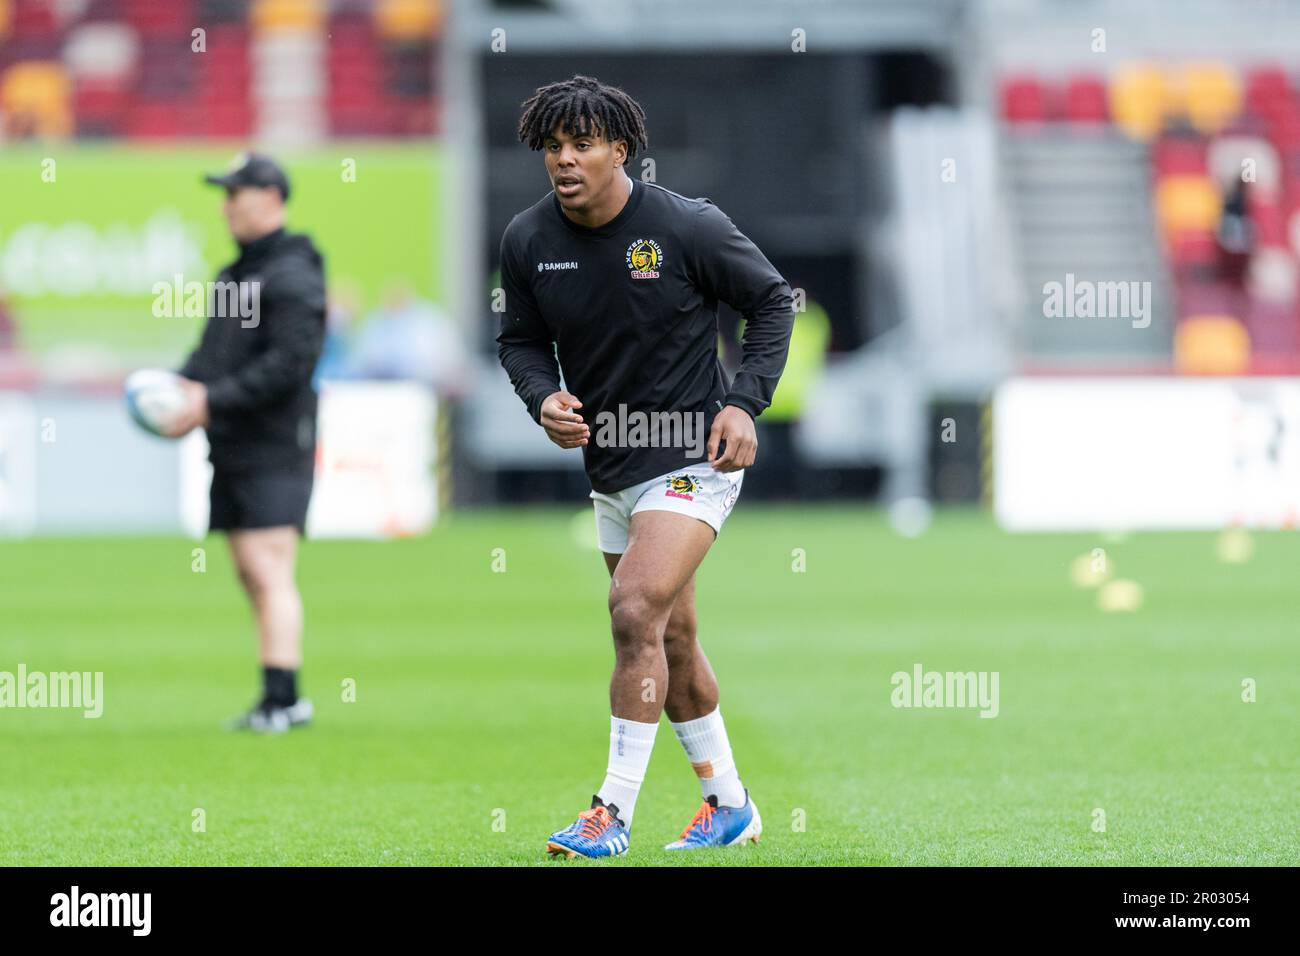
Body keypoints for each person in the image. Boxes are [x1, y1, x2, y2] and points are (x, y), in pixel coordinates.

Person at [496, 75, 794, 857]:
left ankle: (611, 812)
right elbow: (519, 340)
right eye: (553, 146)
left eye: (582, 144)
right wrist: (542, 397)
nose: (564, 158)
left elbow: (771, 302)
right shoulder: (529, 240)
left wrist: (744, 402)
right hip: (612, 468)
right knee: (672, 639)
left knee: (633, 610)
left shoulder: (684, 227)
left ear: (620, 150)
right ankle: (728, 802)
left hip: (694, 457)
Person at [165, 152, 327, 733]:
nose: (226, 205)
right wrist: (177, 387)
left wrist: (207, 402)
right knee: (249, 568)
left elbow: (290, 364)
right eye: (226, 193)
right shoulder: (234, 275)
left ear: (272, 198)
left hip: (275, 442)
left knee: (269, 566)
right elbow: (209, 358)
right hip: (232, 441)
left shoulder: (294, 275)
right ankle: (278, 696)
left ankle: (282, 700)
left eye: (237, 193)